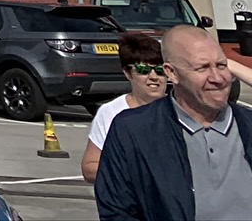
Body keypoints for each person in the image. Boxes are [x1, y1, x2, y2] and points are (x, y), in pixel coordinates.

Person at [96, 26, 252, 221]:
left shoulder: (247, 124)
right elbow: (117, 211)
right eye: (202, 68)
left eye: (221, 65)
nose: (217, 78)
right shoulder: (133, 130)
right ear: (172, 73)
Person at [85, 32, 170, 183]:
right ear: (128, 73)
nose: (154, 77)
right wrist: (134, 174)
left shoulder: (179, 110)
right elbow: (90, 168)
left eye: (160, 70)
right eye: (144, 70)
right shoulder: (110, 112)